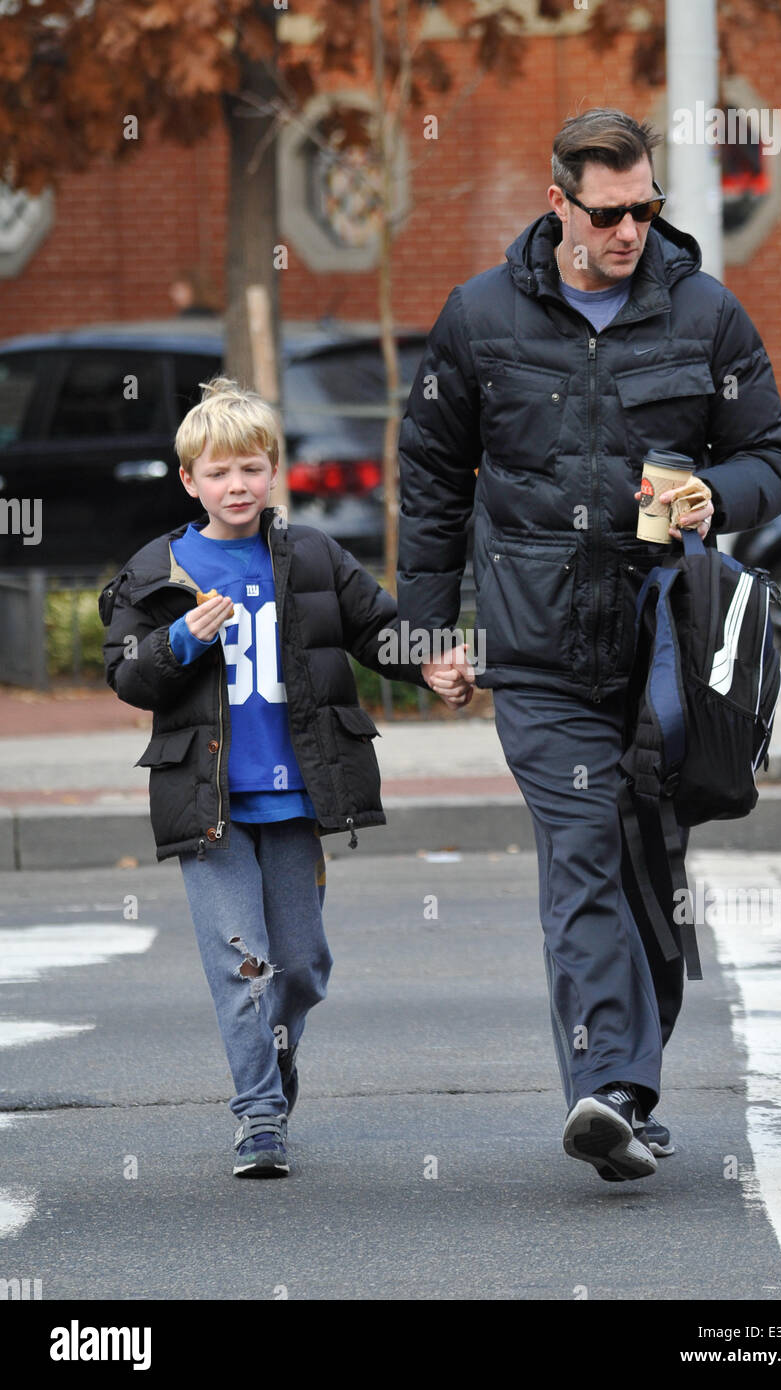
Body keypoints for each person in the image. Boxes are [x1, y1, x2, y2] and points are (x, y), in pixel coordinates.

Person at [398, 108, 781, 1182]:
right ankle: (609, 1086)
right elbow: (432, 478)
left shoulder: (704, 314)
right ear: (557, 199)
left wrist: (722, 493)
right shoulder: (478, 318)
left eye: (645, 208)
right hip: (536, 648)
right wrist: (428, 628)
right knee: (580, 856)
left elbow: (768, 452)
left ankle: (627, 1078)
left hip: (664, 646)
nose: (630, 230)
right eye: (609, 211)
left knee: (646, 864)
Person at [99, 377, 462, 1178]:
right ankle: (259, 1115)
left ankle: (275, 1055)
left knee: (298, 966)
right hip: (209, 799)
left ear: (275, 474)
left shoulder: (313, 556)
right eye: (219, 473)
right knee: (242, 961)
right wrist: (180, 642)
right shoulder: (158, 568)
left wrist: (429, 663)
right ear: (190, 480)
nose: (238, 486)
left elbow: (375, 630)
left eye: (252, 469)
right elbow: (126, 674)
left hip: (301, 794)